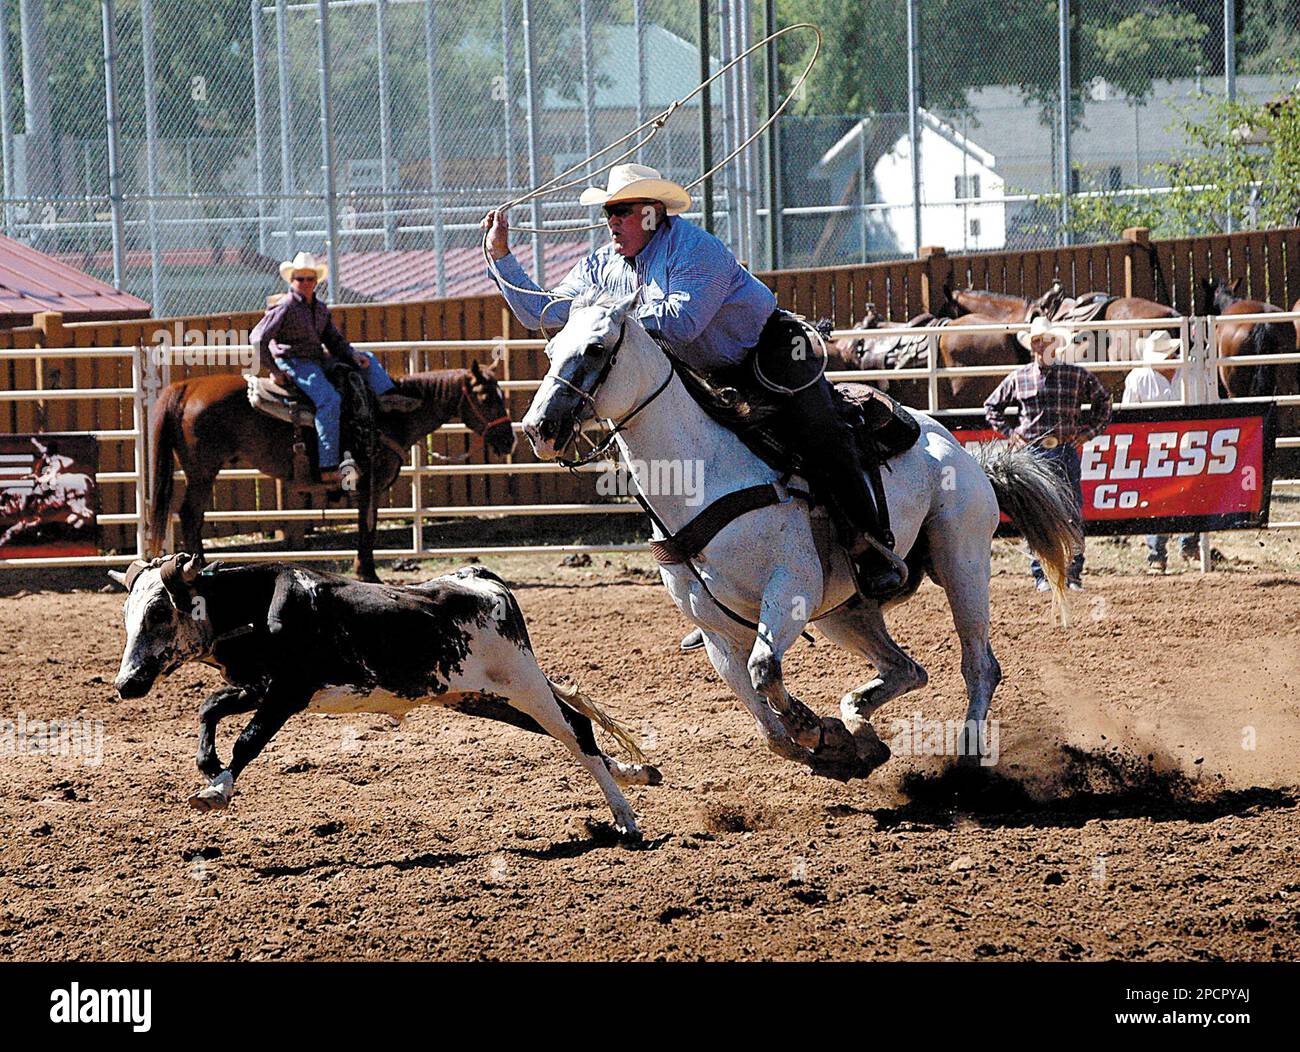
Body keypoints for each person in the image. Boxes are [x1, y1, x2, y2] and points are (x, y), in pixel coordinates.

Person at [482, 164, 907, 629]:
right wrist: (502, 258)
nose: (612, 221)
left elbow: (680, 323)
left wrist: (606, 321)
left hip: (768, 353)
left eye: (621, 211)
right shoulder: (601, 267)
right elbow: (541, 312)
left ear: (652, 213)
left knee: (821, 433)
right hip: (701, 369)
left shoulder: (695, 249)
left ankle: (870, 548)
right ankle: (719, 599)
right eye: (609, 212)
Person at [250, 251, 417, 485]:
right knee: (329, 400)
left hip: (316, 359)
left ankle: (387, 398)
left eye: (309, 279)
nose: (305, 283)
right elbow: (257, 338)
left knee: (366, 358)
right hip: (294, 361)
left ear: (315, 281)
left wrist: (352, 355)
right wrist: (276, 371)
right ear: (292, 281)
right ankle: (328, 466)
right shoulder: (285, 307)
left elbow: (333, 340)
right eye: (300, 279)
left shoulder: (319, 308)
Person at [984, 315, 1113, 591]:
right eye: (1036, 342)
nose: (1040, 346)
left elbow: (1104, 401)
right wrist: (1011, 434)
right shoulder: (1020, 378)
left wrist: (1088, 433)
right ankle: (1042, 574)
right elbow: (992, 406)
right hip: (1033, 453)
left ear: (1056, 343)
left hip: (1065, 448)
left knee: (1070, 512)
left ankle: (1073, 573)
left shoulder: (1076, 375)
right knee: (1037, 514)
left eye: (1044, 341)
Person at [1121, 330, 1200, 573]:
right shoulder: (1139, 378)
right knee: (1157, 500)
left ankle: (1188, 544)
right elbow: (1128, 415)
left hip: (1187, 444)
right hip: (1155, 449)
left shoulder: (1189, 374)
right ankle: (1158, 553)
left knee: (1192, 495)